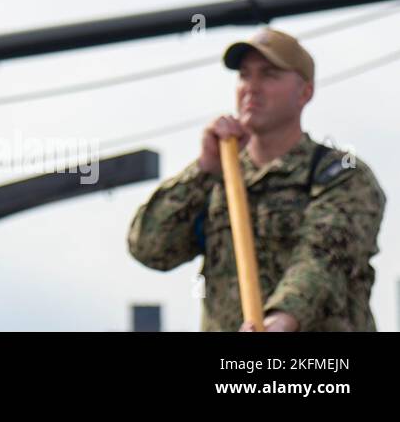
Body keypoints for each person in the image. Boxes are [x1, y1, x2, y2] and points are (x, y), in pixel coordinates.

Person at [127, 27, 385, 330]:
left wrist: (283, 317)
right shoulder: (219, 179)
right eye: (244, 75)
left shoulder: (340, 176)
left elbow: (324, 257)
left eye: (269, 74)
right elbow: (150, 248)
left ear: (305, 92)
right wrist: (204, 169)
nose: (252, 87)